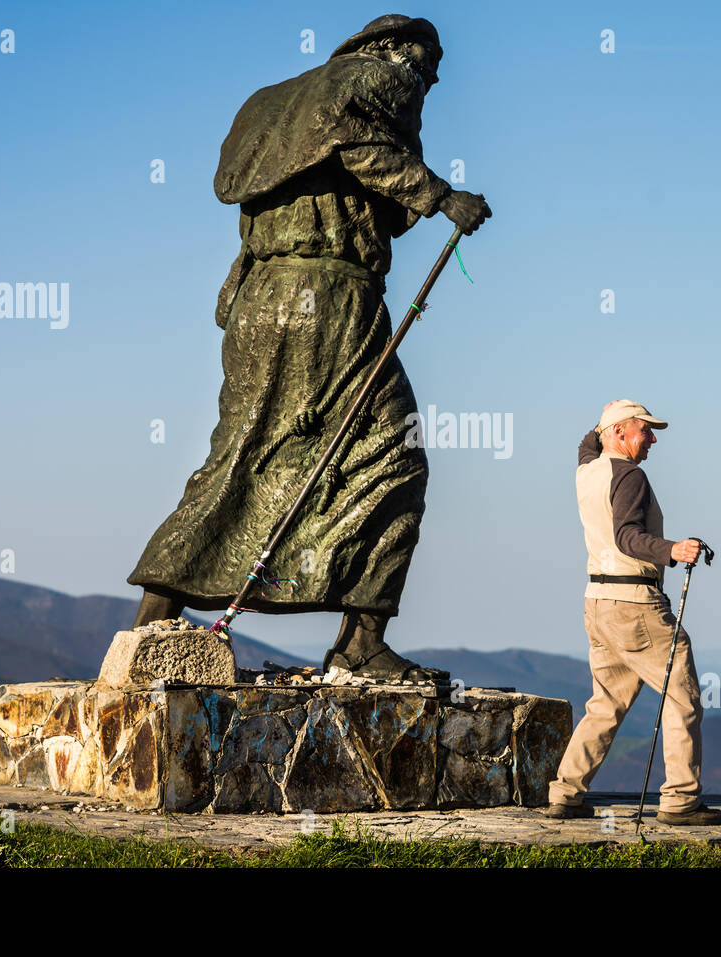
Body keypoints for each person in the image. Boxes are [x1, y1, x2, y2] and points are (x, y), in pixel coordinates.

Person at [126, 15, 492, 682]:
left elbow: (325, 187)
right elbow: (361, 149)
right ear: (392, 49)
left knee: (242, 453)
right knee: (394, 455)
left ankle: (153, 616)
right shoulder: (375, 80)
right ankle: (360, 641)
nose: (430, 78)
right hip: (329, 299)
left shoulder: (274, 105)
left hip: (258, 305)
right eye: (427, 63)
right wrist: (443, 197)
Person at [545, 399, 721, 825]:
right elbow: (628, 537)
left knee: (605, 703)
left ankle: (565, 793)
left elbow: (585, 445)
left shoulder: (587, 470)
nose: (653, 438)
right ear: (621, 433)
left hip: (596, 602)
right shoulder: (630, 475)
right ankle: (680, 800)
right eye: (646, 430)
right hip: (634, 602)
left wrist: (601, 422)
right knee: (681, 690)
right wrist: (674, 551)